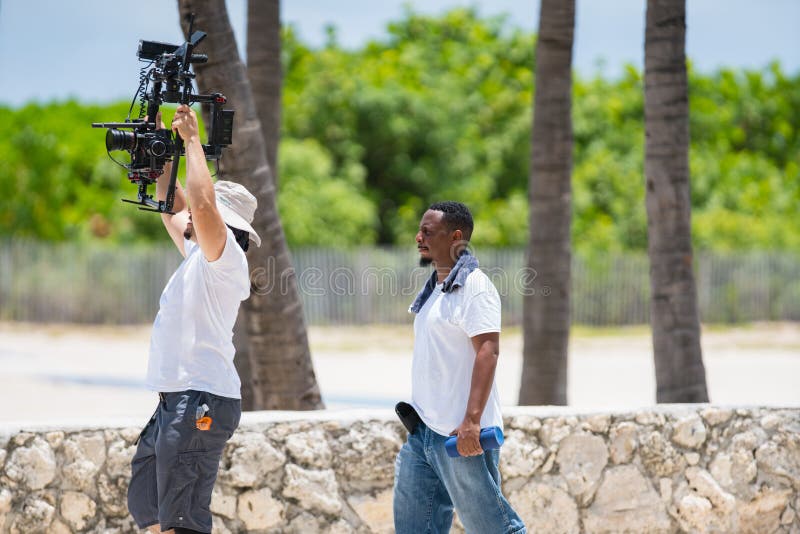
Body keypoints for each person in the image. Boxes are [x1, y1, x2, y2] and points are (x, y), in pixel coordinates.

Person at [127, 104, 261, 534]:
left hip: (200, 400)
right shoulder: (197, 257)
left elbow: (201, 205)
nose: (188, 217)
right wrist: (160, 144)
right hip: (176, 400)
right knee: (149, 509)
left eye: (204, 217)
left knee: (182, 524)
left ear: (225, 225)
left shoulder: (226, 261)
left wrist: (190, 142)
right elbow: (176, 204)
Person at [393, 201, 526, 534]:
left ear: (455, 238)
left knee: (495, 528)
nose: (418, 237)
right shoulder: (435, 291)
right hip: (423, 433)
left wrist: (471, 422)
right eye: (420, 230)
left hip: (460, 436)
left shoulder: (475, 287)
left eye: (428, 232)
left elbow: (488, 351)